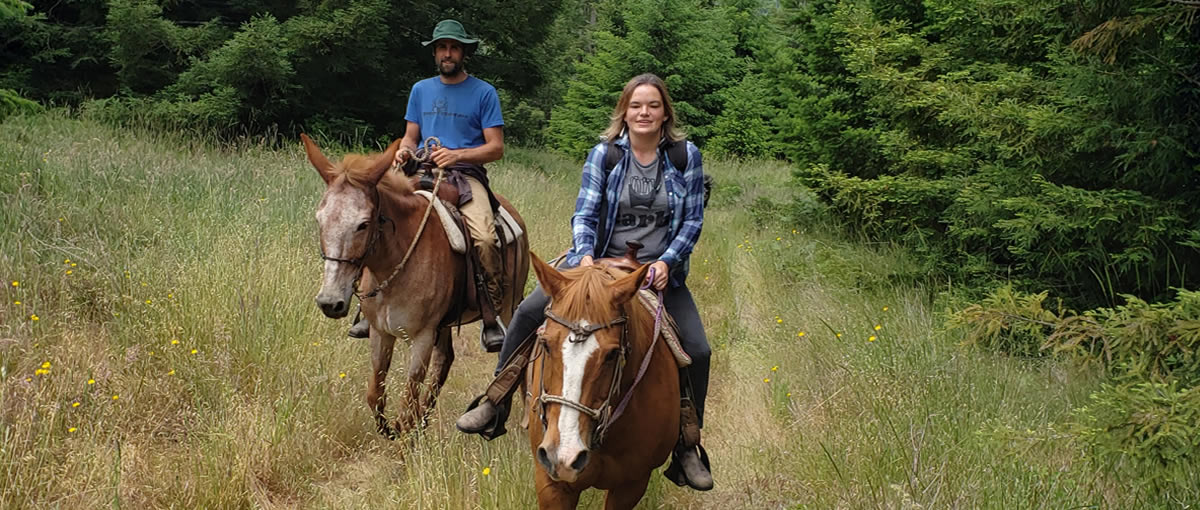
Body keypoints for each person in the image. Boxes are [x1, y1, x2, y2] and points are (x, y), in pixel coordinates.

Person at [456, 73, 714, 490]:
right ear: (624, 112)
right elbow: (586, 213)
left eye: (652, 105)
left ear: (665, 112)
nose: (644, 113)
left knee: (698, 350)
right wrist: (585, 256)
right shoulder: (606, 155)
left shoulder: (685, 157)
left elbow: (691, 221)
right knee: (526, 313)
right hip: (597, 268)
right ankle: (496, 400)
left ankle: (686, 444)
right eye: (636, 105)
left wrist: (667, 260)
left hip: (656, 274)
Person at [348, 19, 508, 352]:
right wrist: (405, 151)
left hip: (464, 175)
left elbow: (496, 147)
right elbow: (410, 135)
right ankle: (366, 304)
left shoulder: (484, 92)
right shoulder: (421, 89)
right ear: (435, 53)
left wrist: (459, 154)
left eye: (454, 48)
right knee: (371, 219)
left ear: (463, 52)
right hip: (420, 169)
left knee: (484, 236)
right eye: (442, 48)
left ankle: (491, 313)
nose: (447, 54)